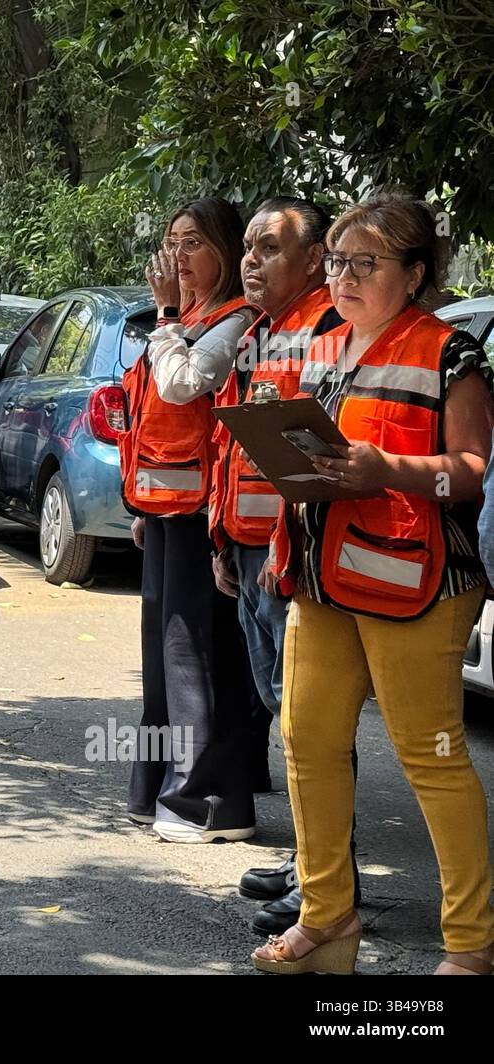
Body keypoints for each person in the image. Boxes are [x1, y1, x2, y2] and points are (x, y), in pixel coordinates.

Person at [255, 194, 494, 976]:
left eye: (367, 263)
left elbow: (469, 474)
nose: (345, 278)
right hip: (322, 578)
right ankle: (327, 921)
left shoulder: (451, 352)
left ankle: (470, 946)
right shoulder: (324, 341)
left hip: (418, 582)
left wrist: (386, 468)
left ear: (416, 273)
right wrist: (280, 524)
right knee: (309, 741)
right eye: (337, 262)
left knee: (430, 755)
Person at [208, 197, 354, 932]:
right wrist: (218, 532)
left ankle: (333, 884)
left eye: (270, 248)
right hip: (246, 545)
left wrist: (277, 547)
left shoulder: (333, 331)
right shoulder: (261, 331)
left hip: (290, 554)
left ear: (314, 259)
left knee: (312, 721)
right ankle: (309, 862)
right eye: (250, 248)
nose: (252, 260)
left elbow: (323, 454)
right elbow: (229, 437)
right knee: (281, 708)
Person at [120, 196, 261, 843]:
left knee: (198, 653)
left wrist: (168, 317)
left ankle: (209, 801)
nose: (179, 255)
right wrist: (144, 505)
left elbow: (184, 387)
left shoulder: (234, 320)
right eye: (174, 241)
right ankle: (159, 788)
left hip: (208, 512)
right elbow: (154, 413)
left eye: (195, 242)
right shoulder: (186, 316)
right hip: (165, 509)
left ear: (225, 251)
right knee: (162, 655)